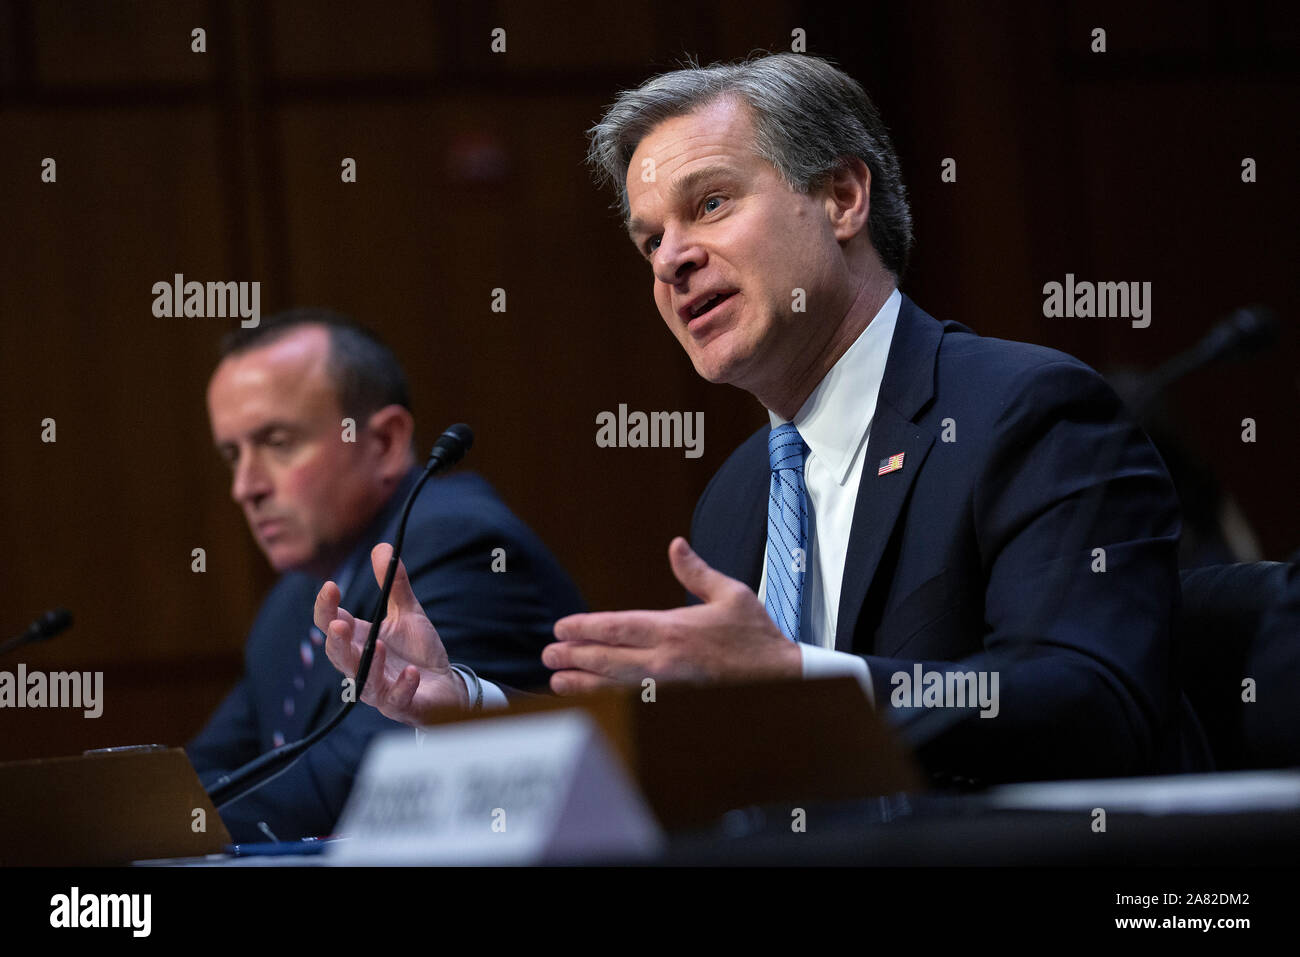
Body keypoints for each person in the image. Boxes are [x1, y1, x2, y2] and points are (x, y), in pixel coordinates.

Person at [316, 54, 1211, 786]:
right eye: (649, 240)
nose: (673, 260)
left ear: (843, 199)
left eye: (708, 204)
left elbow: (1095, 704)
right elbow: (711, 753)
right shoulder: (741, 496)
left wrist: (798, 686)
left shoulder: (1026, 412)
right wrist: (468, 708)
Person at [187, 309, 585, 840]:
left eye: (278, 442)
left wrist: (154, 824)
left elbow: (368, 780)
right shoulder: (291, 602)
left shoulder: (457, 544)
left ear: (384, 443)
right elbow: (212, 767)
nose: (245, 486)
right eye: (233, 455)